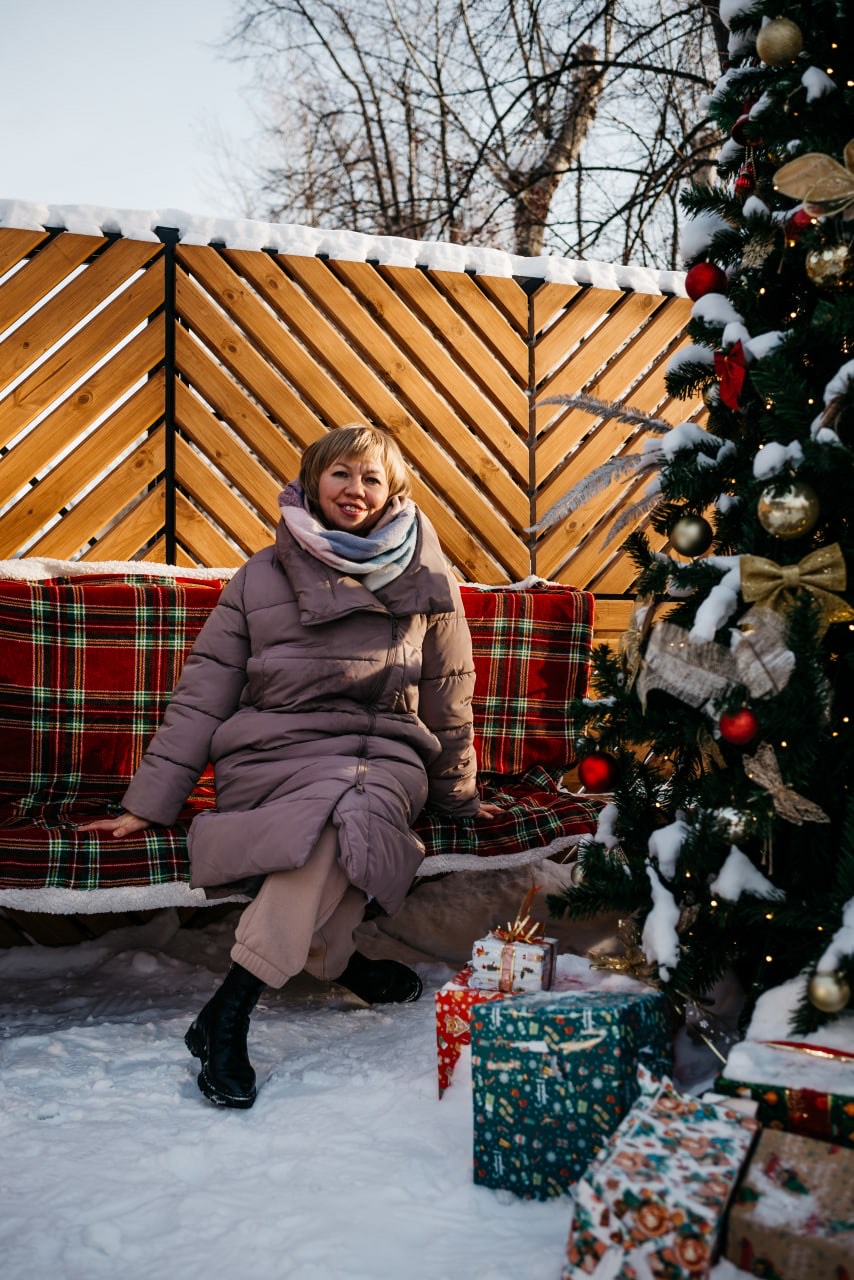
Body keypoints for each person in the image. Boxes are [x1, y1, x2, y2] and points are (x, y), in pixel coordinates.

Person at [80, 424, 497, 1109]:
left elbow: (450, 692)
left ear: (393, 489)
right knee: (336, 818)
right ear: (311, 481)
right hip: (275, 750)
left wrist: (457, 798)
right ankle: (334, 961)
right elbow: (204, 693)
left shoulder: (429, 577)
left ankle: (229, 1010)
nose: (355, 489)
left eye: (371, 477)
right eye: (341, 474)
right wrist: (149, 803)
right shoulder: (260, 576)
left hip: (387, 749)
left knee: (349, 811)